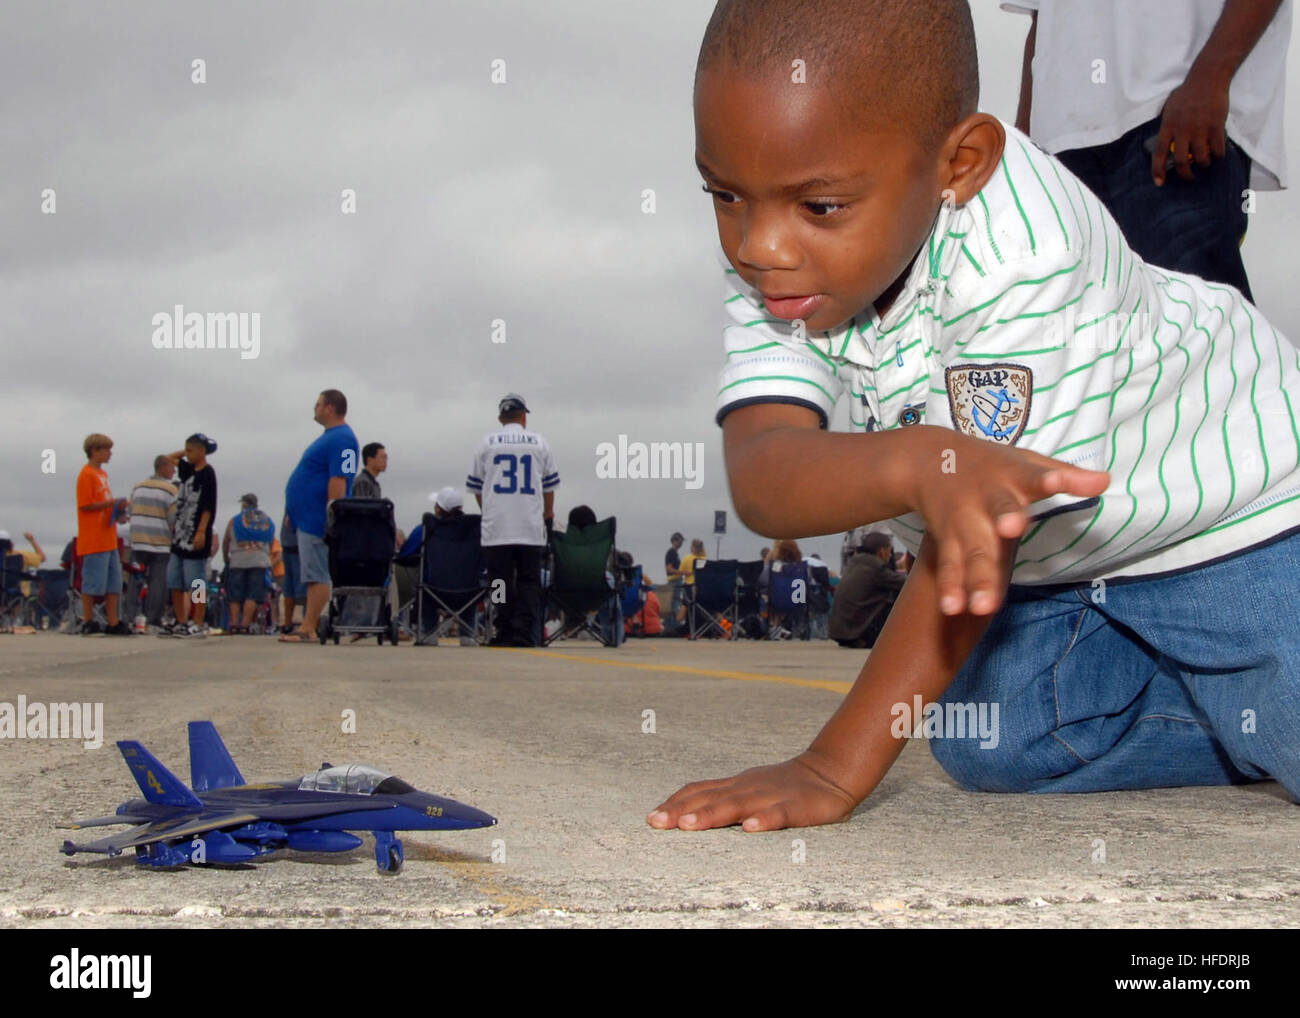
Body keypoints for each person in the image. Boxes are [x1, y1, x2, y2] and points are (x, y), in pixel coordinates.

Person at [649, 0, 1300, 835]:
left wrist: (829, 769)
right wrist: (915, 461)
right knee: (991, 743)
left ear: (959, 163)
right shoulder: (780, 255)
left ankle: (1257, 696)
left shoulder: (1028, 252)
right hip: (1070, 559)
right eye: (725, 193)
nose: (759, 245)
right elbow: (763, 472)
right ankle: (1229, 704)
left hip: (1234, 516)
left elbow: (982, 525)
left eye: (819, 208)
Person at [1006, 0, 1290, 301]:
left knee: (1196, 328)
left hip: (1172, 121)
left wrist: (1209, 80)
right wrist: (1026, 150)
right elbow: (1042, 17)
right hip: (1060, 149)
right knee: (1086, 339)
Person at [466, 394, 559, 647]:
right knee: (529, 581)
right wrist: (547, 514)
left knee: (498, 580)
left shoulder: (486, 443)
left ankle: (503, 627)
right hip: (529, 526)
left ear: (500, 418)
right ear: (524, 416)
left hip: (497, 528)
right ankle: (523, 630)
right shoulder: (539, 443)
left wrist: (489, 510)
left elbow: (475, 487)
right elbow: (550, 486)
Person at [280, 389, 359, 642]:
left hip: (317, 519)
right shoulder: (331, 437)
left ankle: (308, 628)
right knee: (311, 573)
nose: (314, 408)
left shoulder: (343, 439)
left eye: (317, 404)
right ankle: (307, 625)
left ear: (330, 408)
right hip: (306, 517)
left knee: (317, 573)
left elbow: (341, 477)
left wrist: (332, 514)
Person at [161, 434, 218, 637]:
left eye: (192, 450)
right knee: (174, 579)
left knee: (196, 581)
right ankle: (181, 620)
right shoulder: (188, 470)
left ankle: (199, 621)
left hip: (196, 532)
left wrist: (202, 530)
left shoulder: (208, 473)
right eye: (187, 450)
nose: (188, 454)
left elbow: (208, 506)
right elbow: (168, 458)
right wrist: (185, 451)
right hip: (180, 534)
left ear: (202, 451)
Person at [75, 434, 131, 636]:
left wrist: (117, 513)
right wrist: (110, 503)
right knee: (92, 582)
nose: (110, 454)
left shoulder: (102, 475)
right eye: (106, 450)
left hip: (109, 538)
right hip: (94, 539)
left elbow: (103, 506)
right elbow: (86, 505)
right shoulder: (86, 474)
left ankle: (113, 621)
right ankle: (88, 620)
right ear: (94, 451)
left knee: (114, 583)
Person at [829, 533, 906, 649]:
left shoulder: (855, 563)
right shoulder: (876, 568)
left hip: (842, 633)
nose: (890, 556)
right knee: (898, 598)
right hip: (857, 634)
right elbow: (905, 583)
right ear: (882, 551)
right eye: (889, 551)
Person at [128, 455, 178, 630]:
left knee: (135, 582)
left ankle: (131, 618)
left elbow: (129, 510)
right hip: (160, 543)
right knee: (159, 583)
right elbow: (173, 519)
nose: (174, 471)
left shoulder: (137, 487)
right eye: (172, 467)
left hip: (138, 540)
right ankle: (153, 619)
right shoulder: (170, 490)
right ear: (163, 467)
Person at [222, 493, 275, 634]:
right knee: (252, 595)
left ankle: (233, 624)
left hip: (238, 561)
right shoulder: (266, 520)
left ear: (244, 504)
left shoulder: (234, 521)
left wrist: (226, 557)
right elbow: (270, 541)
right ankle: (245, 625)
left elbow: (226, 540)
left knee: (235, 595)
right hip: (259, 561)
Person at [279, 512, 305, 634]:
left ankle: (288, 624)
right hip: (302, 541)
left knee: (289, 588)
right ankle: (309, 623)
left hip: (287, 541)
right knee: (307, 588)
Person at [663, 532, 686, 632]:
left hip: (677, 581)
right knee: (674, 604)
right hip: (674, 581)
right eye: (680, 541)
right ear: (675, 541)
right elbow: (669, 569)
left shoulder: (675, 553)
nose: (681, 543)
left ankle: (671, 626)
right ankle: (674, 627)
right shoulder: (671, 552)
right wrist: (683, 572)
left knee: (674, 604)